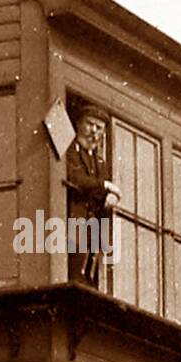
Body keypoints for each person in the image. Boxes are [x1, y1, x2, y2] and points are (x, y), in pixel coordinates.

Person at [65, 103, 120, 287]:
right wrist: (104, 186)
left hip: (94, 222)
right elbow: (75, 178)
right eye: (90, 125)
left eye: (99, 128)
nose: (94, 132)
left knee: (91, 265)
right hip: (75, 217)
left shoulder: (99, 161)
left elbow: (102, 189)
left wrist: (109, 196)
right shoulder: (71, 151)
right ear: (79, 124)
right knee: (75, 262)